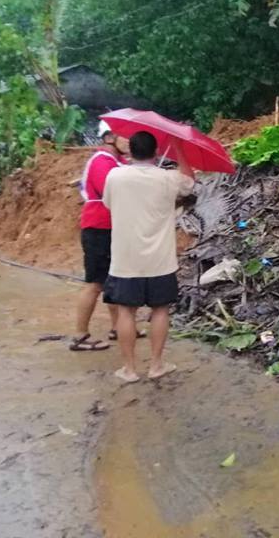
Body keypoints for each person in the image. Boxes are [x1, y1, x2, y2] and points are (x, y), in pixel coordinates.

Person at [102, 130, 194, 382]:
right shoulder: (168, 179)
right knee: (160, 310)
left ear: (130, 150)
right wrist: (178, 148)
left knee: (126, 312)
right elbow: (190, 181)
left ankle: (129, 369)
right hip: (160, 260)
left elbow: (108, 204)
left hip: (125, 259)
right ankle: (156, 366)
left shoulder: (115, 175)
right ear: (155, 152)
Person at [71, 121, 130, 352]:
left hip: (111, 227)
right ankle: (80, 335)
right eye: (125, 137)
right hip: (99, 227)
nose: (130, 141)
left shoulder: (117, 161)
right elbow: (112, 191)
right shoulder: (102, 162)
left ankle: (118, 327)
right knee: (95, 283)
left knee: (112, 279)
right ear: (109, 138)